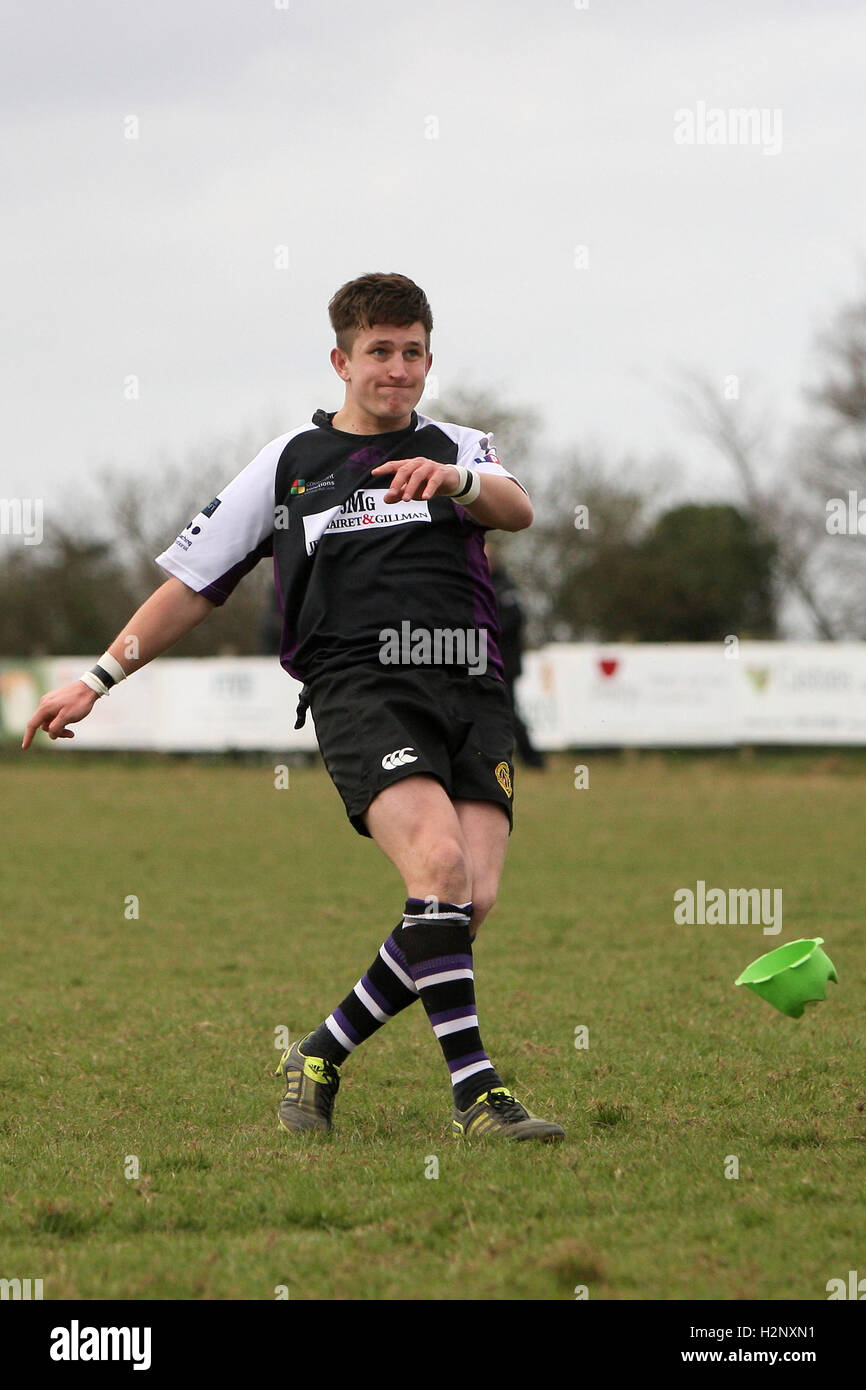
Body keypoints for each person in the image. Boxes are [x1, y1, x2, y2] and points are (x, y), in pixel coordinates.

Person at [22, 272, 564, 1144]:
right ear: (341, 359)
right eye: (379, 352)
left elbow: (519, 508)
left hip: (471, 686)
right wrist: (96, 678)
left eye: (413, 352)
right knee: (439, 870)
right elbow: (193, 588)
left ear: (430, 358)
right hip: (362, 691)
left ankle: (318, 1054)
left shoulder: (461, 444)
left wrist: (456, 480)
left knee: (469, 905)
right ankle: (479, 1095)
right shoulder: (286, 465)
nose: (397, 369)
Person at [485, 541, 546, 768]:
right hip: (482, 660)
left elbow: (515, 619)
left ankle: (532, 758)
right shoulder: (480, 584)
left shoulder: (504, 586)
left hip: (504, 662)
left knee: (508, 711)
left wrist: (486, 630)